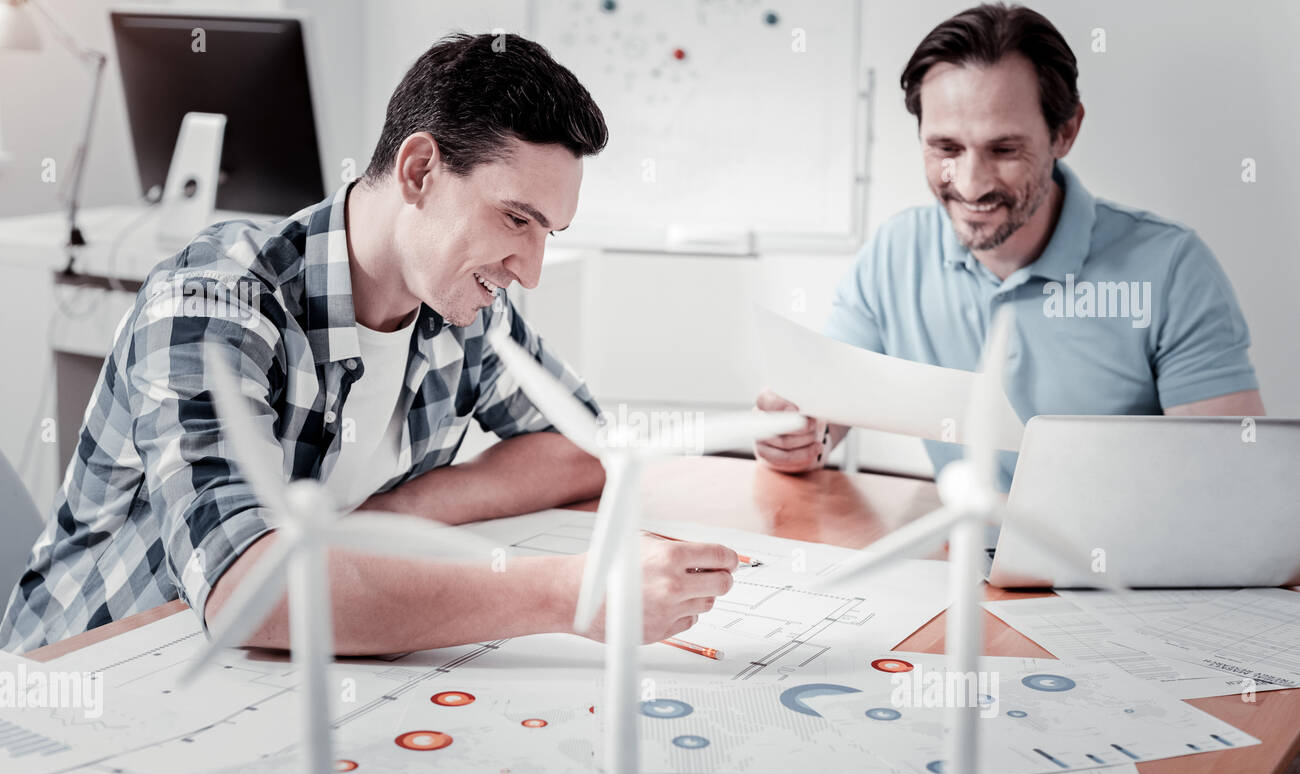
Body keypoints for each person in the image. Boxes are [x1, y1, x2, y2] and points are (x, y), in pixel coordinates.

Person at [1, 33, 736, 655]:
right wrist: (571, 595)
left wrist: (404, 513)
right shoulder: (215, 298)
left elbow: (581, 447)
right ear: (419, 170)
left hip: (269, 675)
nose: (532, 271)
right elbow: (250, 593)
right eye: (516, 219)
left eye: (549, 233)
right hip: (99, 670)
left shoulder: (465, 309)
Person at [755, 3, 1264, 485]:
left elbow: (1229, 484)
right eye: (946, 148)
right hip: (963, 558)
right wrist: (800, 437)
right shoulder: (896, 251)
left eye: (1004, 150)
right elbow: (828, 411)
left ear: (1065, 133)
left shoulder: (1171, 268)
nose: (972, 184)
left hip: (1118, 569)